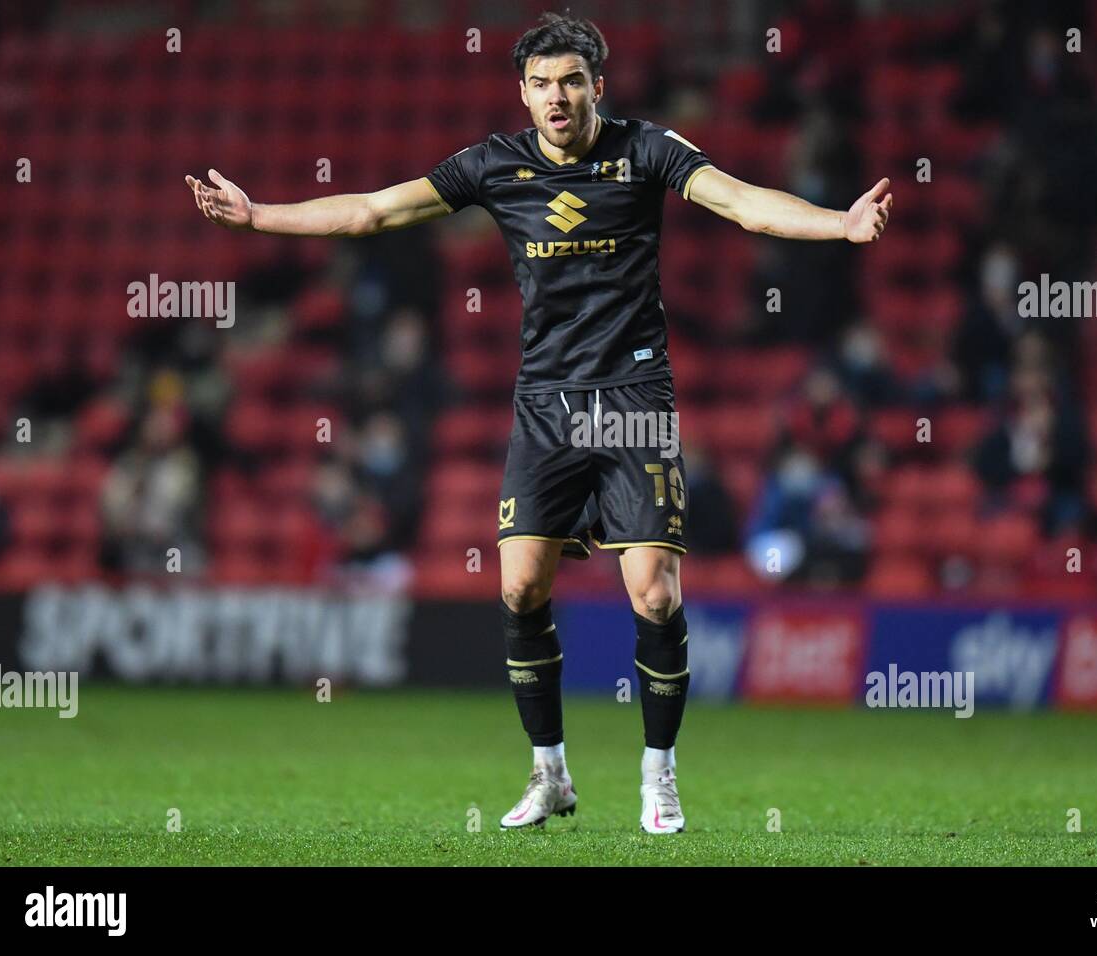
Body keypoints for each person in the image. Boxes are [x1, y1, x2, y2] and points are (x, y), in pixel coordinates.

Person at [186, 11, 891, 834]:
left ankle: (658, 774)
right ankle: (549, 772)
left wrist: (838, 224)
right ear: (522, 91)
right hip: (546, 404)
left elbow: (741, 204)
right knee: (520, 584)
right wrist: (258, 215)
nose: (557, 98)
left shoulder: (646, 150)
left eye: (572, 82)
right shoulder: (494, 164)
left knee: (654, 595)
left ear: (599, 86)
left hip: (633, 399)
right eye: (542, 84)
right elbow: (373, 212)